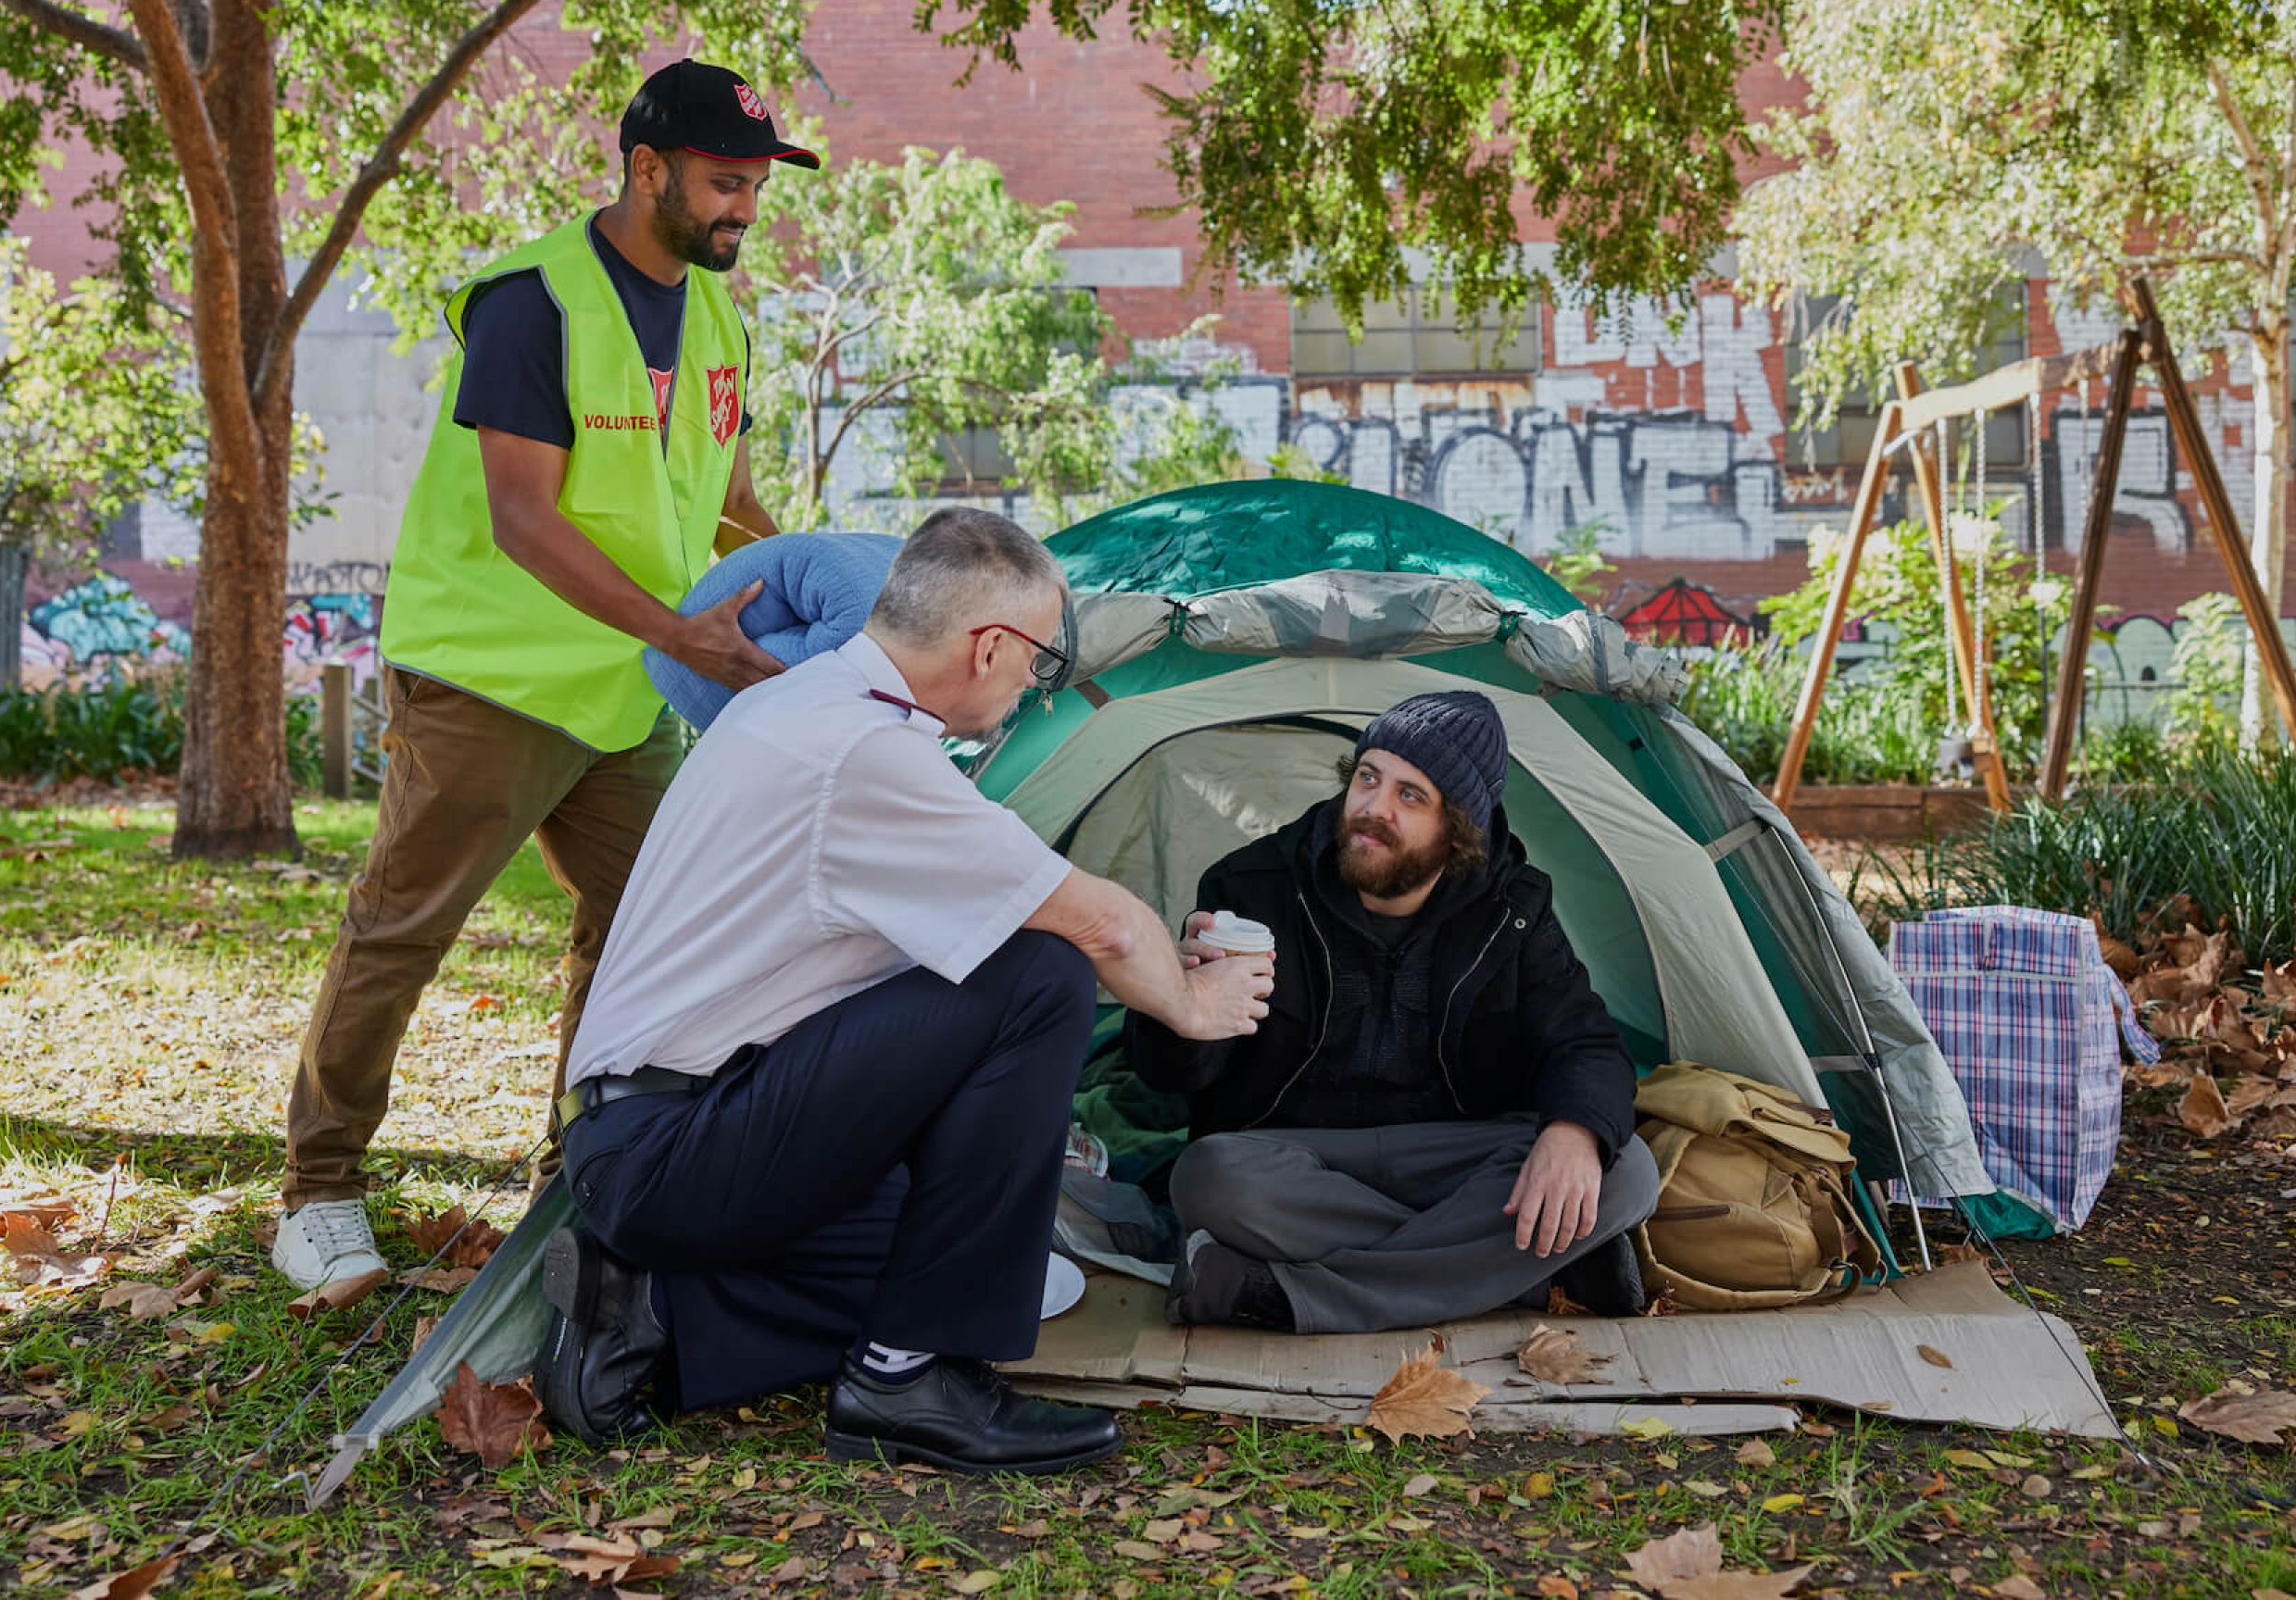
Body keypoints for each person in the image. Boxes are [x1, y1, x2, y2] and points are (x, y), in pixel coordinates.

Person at [534, 508, 1277, 1474]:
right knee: (1042, 971)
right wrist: (1194, 1006)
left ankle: (653, 1311)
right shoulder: (866, 754)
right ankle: (906, 1382)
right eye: (1041, 666)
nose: (1035, 692)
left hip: (664, 1134)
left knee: (1001, 1268)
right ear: (989, 648)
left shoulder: (804, 705)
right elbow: (1099, 923)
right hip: (673, 1146)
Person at [274, 60, 818, 1294]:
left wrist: (826, 594)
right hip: (490, 674)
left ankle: (577, 1178)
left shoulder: (724, 316)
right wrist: (684, 638)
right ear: (647, 169)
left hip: (629, 687)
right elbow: (523, 517)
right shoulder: (533, 301)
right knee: (404, 928)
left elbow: (725, 501)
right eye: (727, 182)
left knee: (641, 940)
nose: (745, 207)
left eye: (757, 186)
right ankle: (319, 1191)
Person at [1129, 691, 1662, 1334]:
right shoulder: (1252, 888)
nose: (1373, 808)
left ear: (1459, 829)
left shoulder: (1512, 908)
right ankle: (1529, 1276)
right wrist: (1179, 1000)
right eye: (1368, 777)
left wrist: (1574, 1132)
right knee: (1208, 1178)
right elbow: (1169, 1075)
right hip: (1300, 1160)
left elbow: (1587, 1041)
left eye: (1411, 796)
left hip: (1450, 1157)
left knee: (1626, 1168)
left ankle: (1282, 1295)